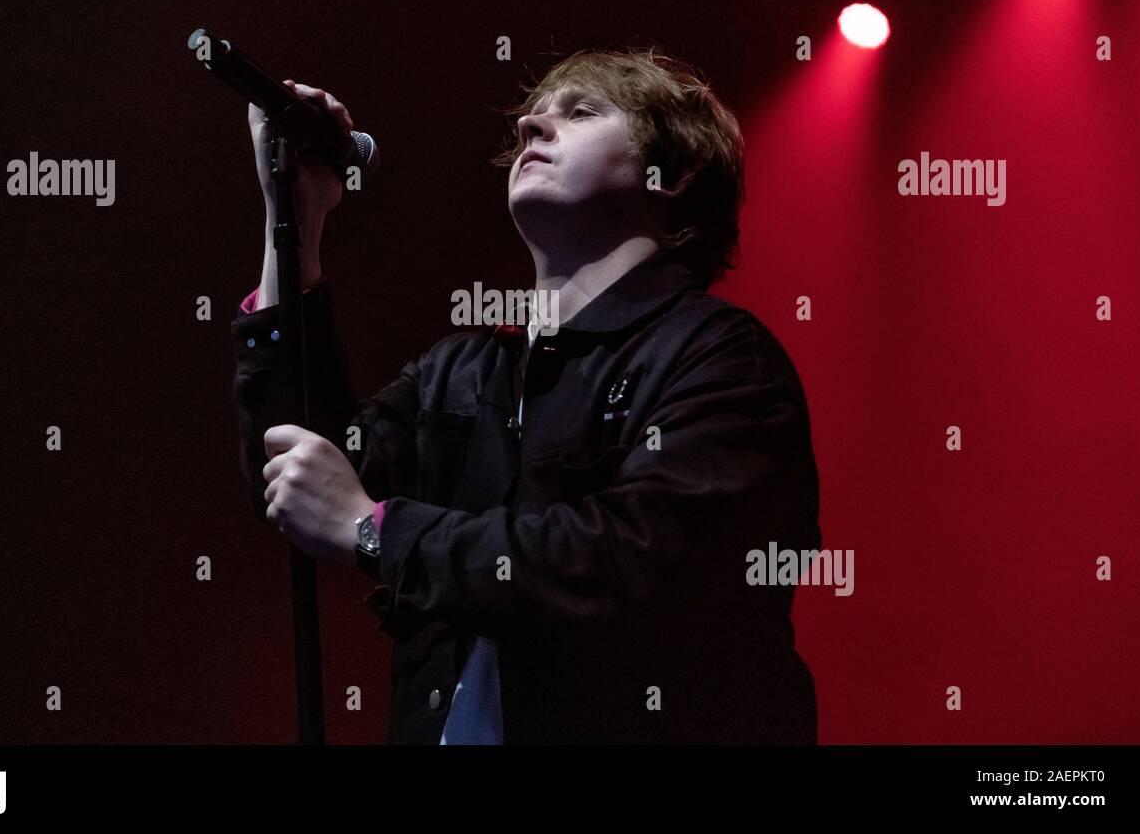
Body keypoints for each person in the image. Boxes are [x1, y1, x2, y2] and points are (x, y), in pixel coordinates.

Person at [231, 46, 821, 743]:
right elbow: (301, 467)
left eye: (580, 112)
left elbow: (631, 563)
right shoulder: (465, 371)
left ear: (674, 173)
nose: (534, 129)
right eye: (529, 122)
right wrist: (294, 222)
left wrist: (377, 529)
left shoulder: (719, 358)